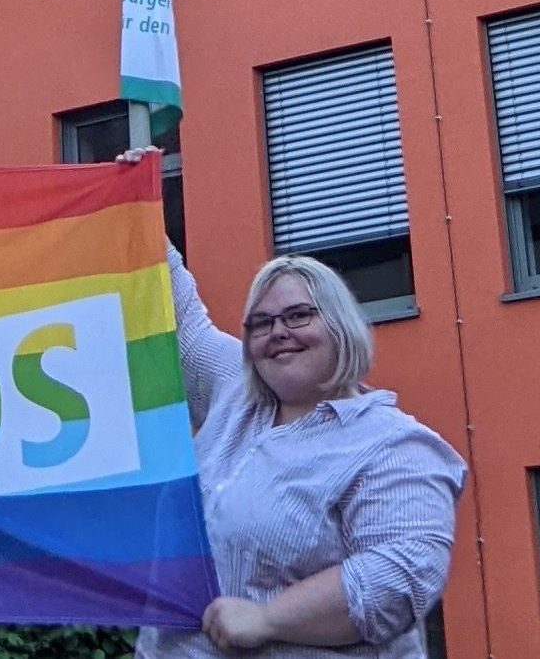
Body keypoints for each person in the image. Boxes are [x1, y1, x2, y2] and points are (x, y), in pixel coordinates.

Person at [116, 149, 465, 657]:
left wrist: (266, 618)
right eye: (261, 322)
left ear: (341, 327)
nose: (278, 333)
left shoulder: (393, 445)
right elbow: (179, 317)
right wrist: (137, 209)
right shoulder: (236, 391)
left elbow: (401, 573)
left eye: (299, 316)